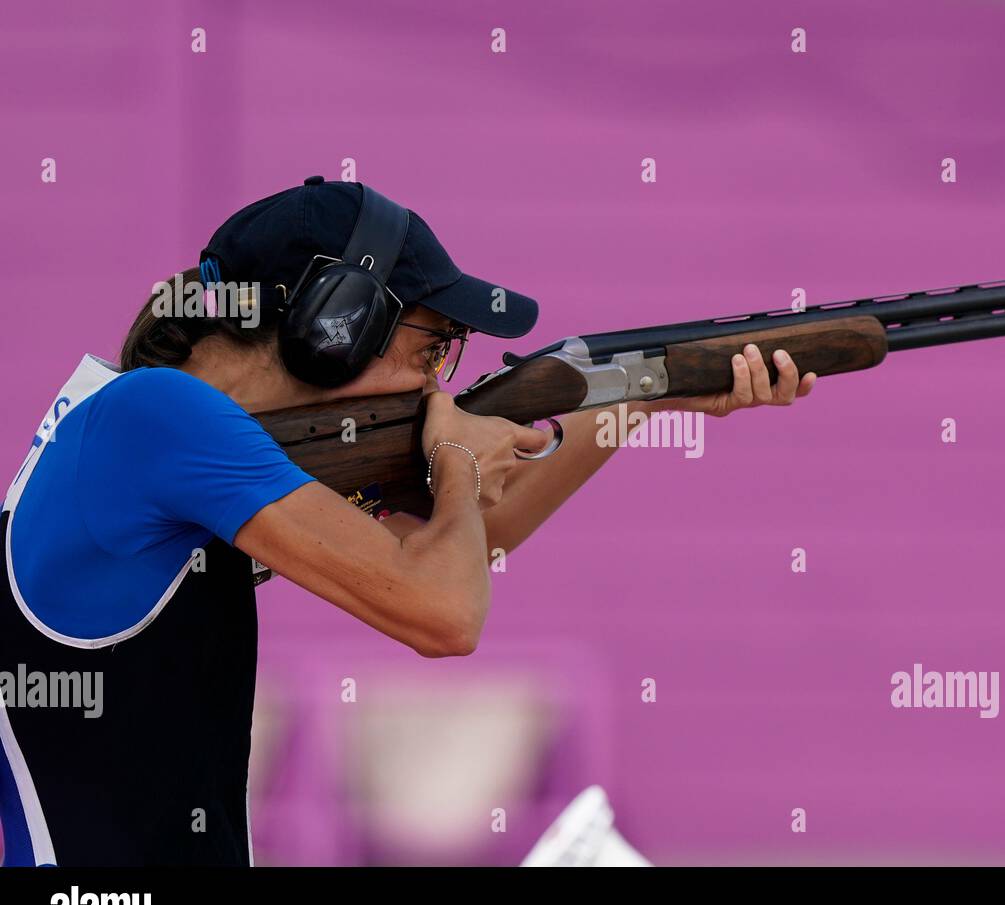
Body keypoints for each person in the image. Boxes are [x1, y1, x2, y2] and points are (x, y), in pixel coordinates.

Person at [0, 178, 815, 866]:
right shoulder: (157, 416)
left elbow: (469, 546)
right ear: (335, 322)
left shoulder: (139, 430)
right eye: (435, 349)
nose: (438, 383)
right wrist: (456, 457)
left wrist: (646, 391)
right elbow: (445, 611)